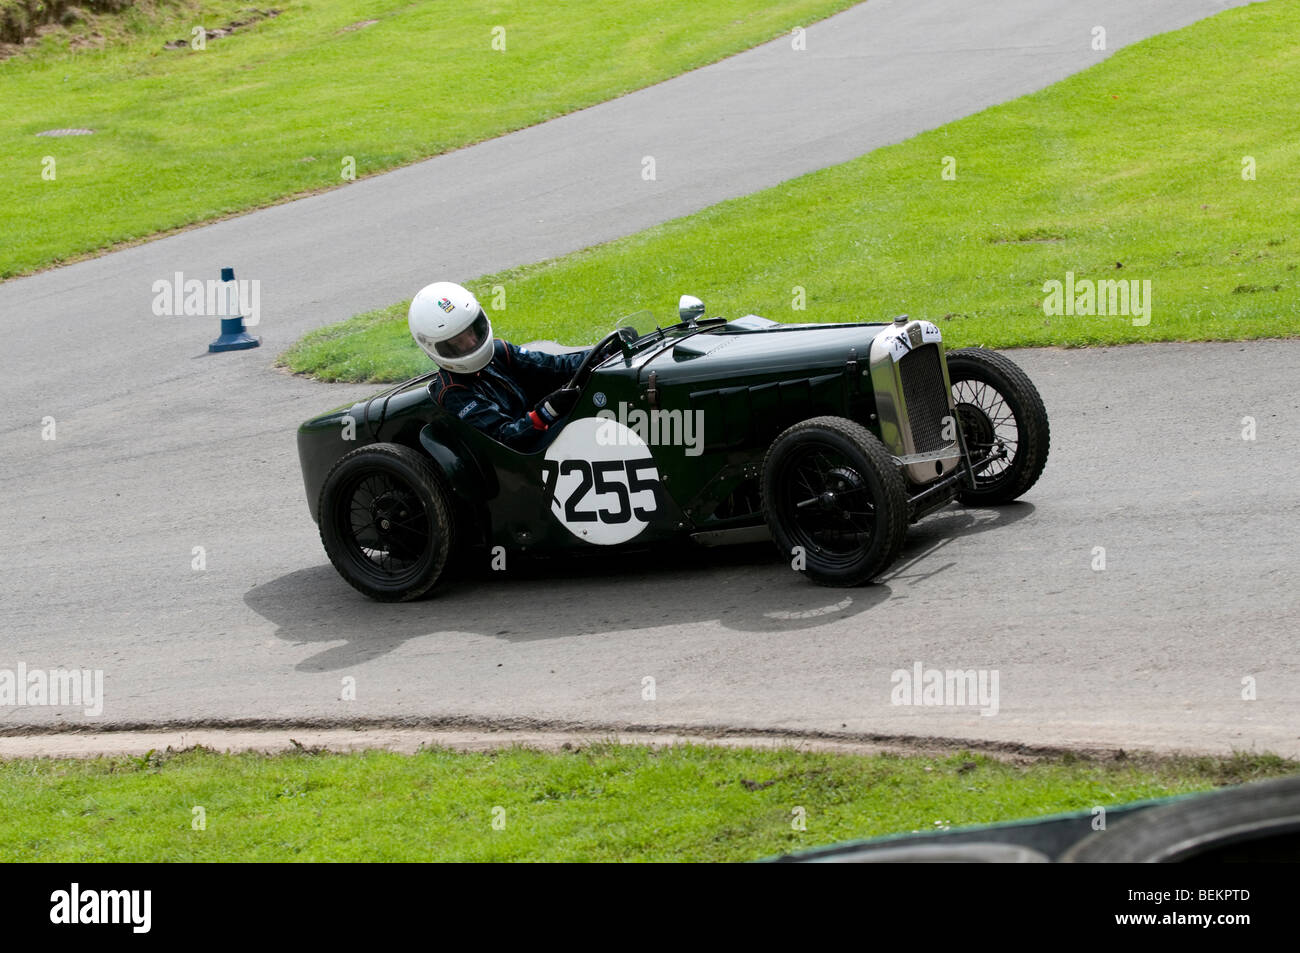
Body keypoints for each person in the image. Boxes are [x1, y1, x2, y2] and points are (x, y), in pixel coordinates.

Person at [408, 281, 589, 450]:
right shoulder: (454, 392)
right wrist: (547, 411)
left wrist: (602, 352)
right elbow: (505, 437)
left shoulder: (500, 351)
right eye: (458, 342)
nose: (471, 343)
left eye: (471, 331)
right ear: (435, 347)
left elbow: (557, 367)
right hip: (520, 455)